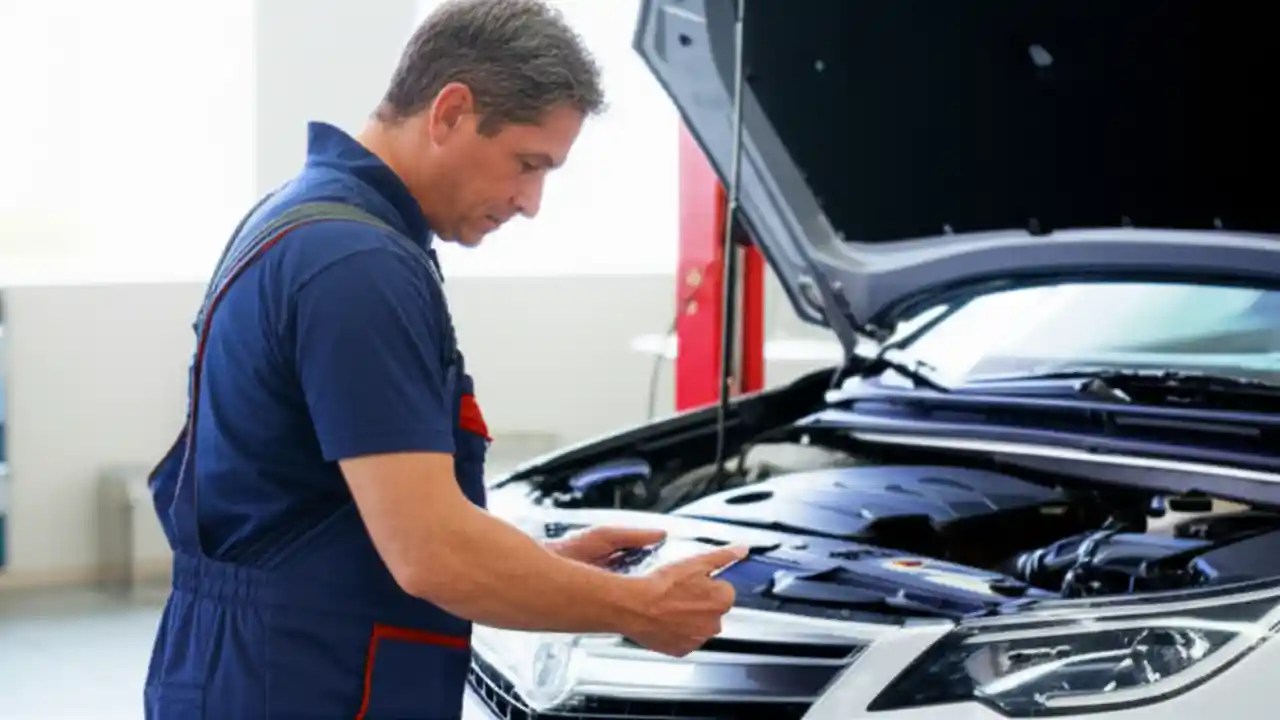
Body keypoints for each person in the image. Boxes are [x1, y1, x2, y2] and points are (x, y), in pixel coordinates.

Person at [142, 1, 744, 718]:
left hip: (264, 662)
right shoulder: (355, 264)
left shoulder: (308, 222)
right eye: (528, 164)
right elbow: (431, 554)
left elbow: (352, 512)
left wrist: (542, 567)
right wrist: (636, 606)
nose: (531, 203)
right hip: (305, 682)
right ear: (451, 111)